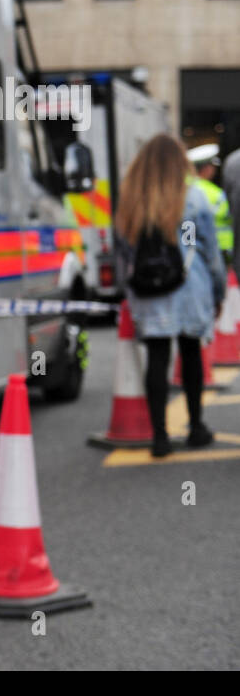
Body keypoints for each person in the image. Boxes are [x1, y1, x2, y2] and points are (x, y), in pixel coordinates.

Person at [116, 134, 226, 458]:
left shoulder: (132, 199)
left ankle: (160, 437)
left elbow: (124, 250)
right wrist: (218, 291)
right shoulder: (192, 196)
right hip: (189, 285)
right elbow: (209, 250)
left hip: (149, 290)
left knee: (157, 356)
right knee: (190, 354)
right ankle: (196, 427)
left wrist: (128, 289)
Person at [186, 143, 233, 267]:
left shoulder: (182, 189)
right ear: (207, 168)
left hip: (190, 251)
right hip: (218, 249)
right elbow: (230, 216)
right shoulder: (214, 193)